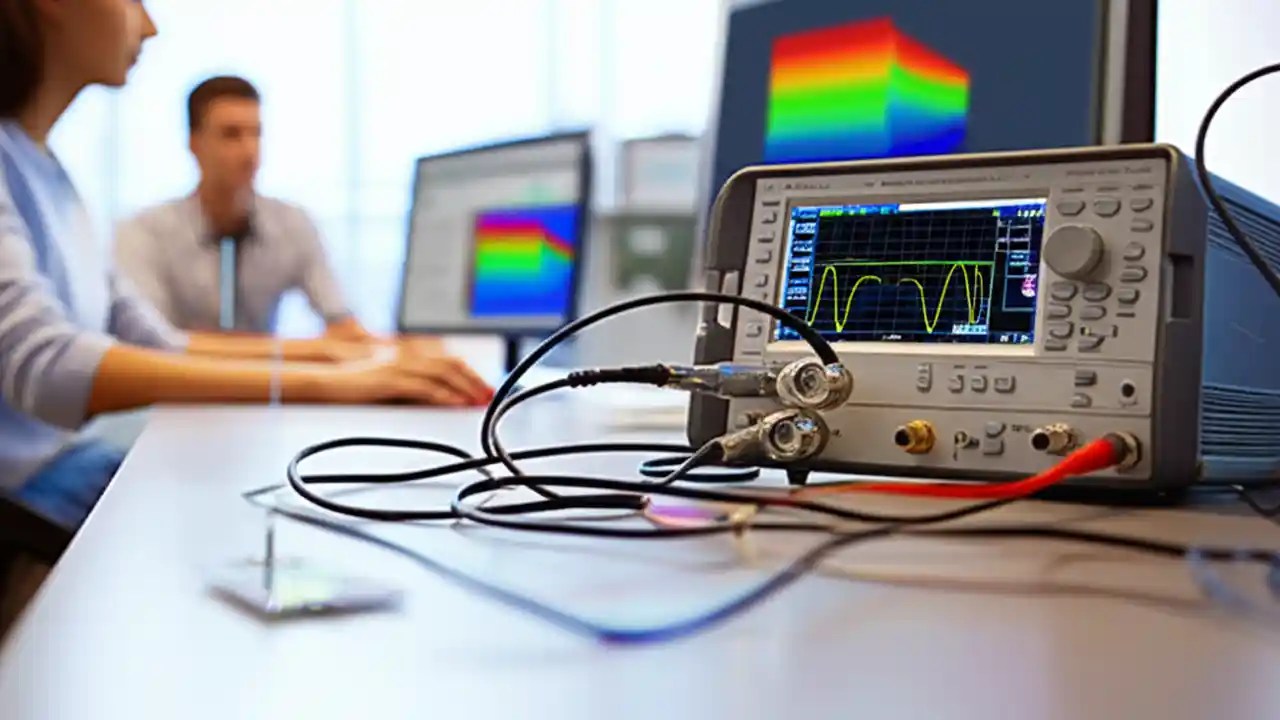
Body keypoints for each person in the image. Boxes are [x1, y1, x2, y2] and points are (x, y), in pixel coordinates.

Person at [0, 0, 492, 531]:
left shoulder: (50, 171)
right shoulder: (103, 210)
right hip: (29, 486)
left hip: (69, 456)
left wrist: (344, 358)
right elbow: (51, 368)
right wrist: (334, 382)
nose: (150, 25)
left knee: (270, 498)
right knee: (258, 517)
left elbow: (158, 342)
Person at [114, 74, 379, 355]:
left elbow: (342, 322)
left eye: (256, 133)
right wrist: (305, 352)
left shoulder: (292, 223)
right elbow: (150, 342)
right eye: (231, 135)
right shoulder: (144, 233)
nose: (249, 150)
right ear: (194, 143)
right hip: (179, 380)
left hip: (269, 378)